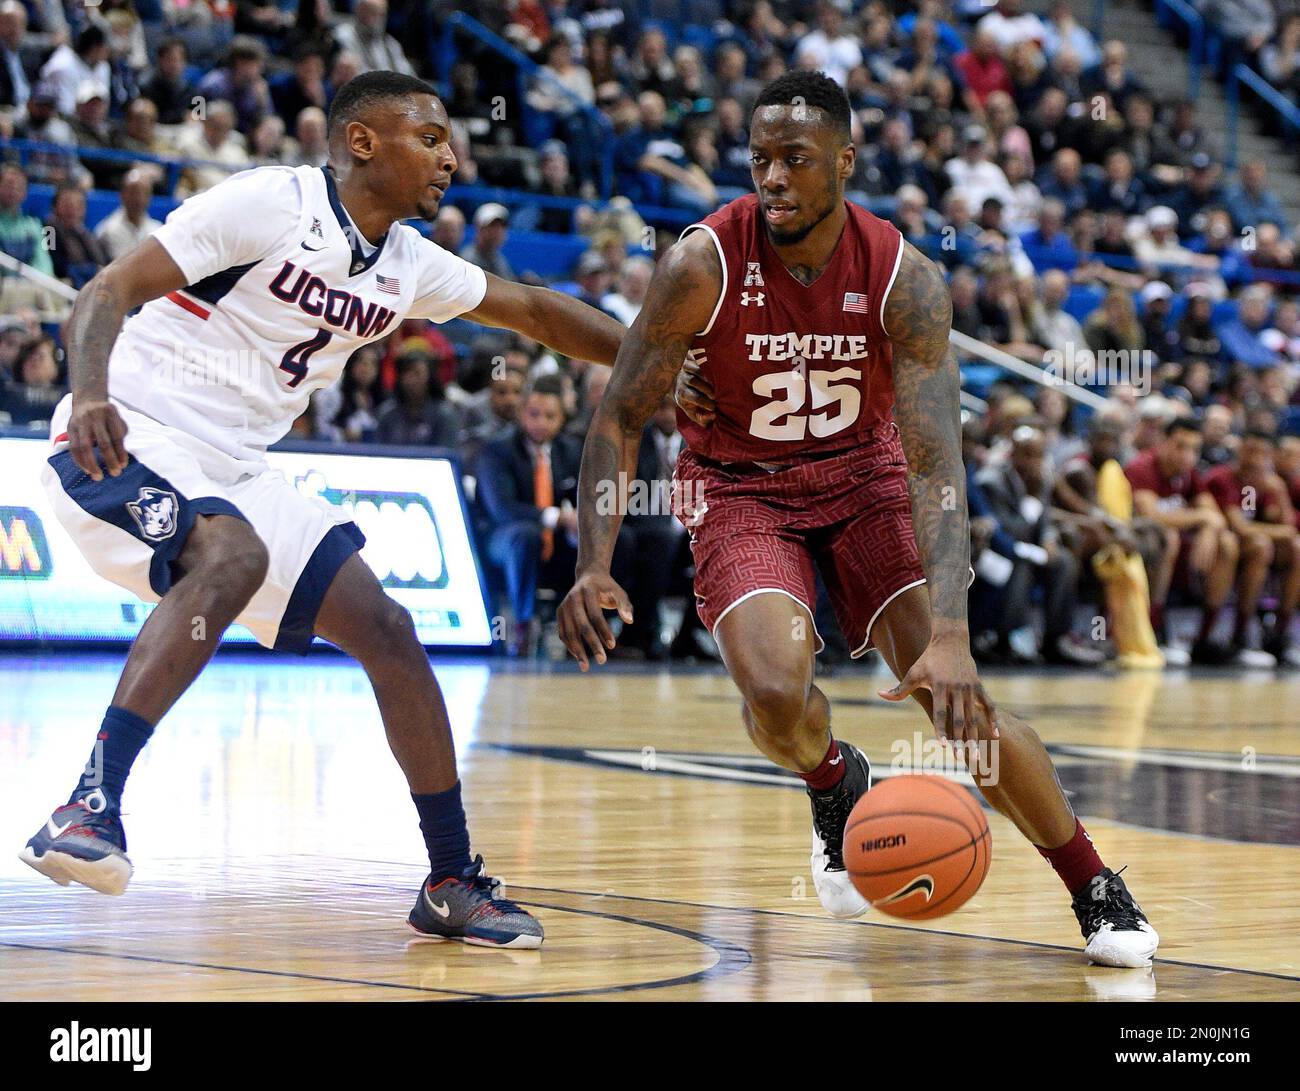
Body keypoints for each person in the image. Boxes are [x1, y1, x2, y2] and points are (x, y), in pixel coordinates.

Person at [558, 71, 1158, 968]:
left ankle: (1093, 881)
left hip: (865, 478)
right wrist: (593, 559)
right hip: (740, 486)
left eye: (794, 160)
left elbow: (934, 461)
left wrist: (950, 632)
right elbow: (618, 413)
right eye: (759, 159)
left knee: (960, 705)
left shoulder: (904, 277)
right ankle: (835, 782)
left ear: (844, 161)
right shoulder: (701, 264)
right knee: (771, 690)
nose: (772, 177)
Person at [21, 71, 624, 949]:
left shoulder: (409, 262)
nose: (451, 156)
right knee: (233, 556)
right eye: (430, 136)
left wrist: (666, 360)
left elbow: (531, 309)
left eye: (451, 139)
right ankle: (89, 802)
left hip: (234, 467)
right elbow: (105, 291)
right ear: (362, 142)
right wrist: (89, 398)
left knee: (386, 627)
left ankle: (451, 878)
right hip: (127, 430)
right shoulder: (269, 204)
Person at [1125, 417, 1269, 665]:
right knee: (1168, 538)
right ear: (1162, 442)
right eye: (1180, 446)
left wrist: (1209, 529)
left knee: (1226, 543)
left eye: (1193, 449)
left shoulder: (1189, 474)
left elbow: (1213, 516)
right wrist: (1203, 519)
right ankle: (1155, 631)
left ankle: (1206, 638)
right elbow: (1152, 516)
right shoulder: (1142, 467)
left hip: (1186, 554)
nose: (1187, 455)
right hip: (1137, 546)